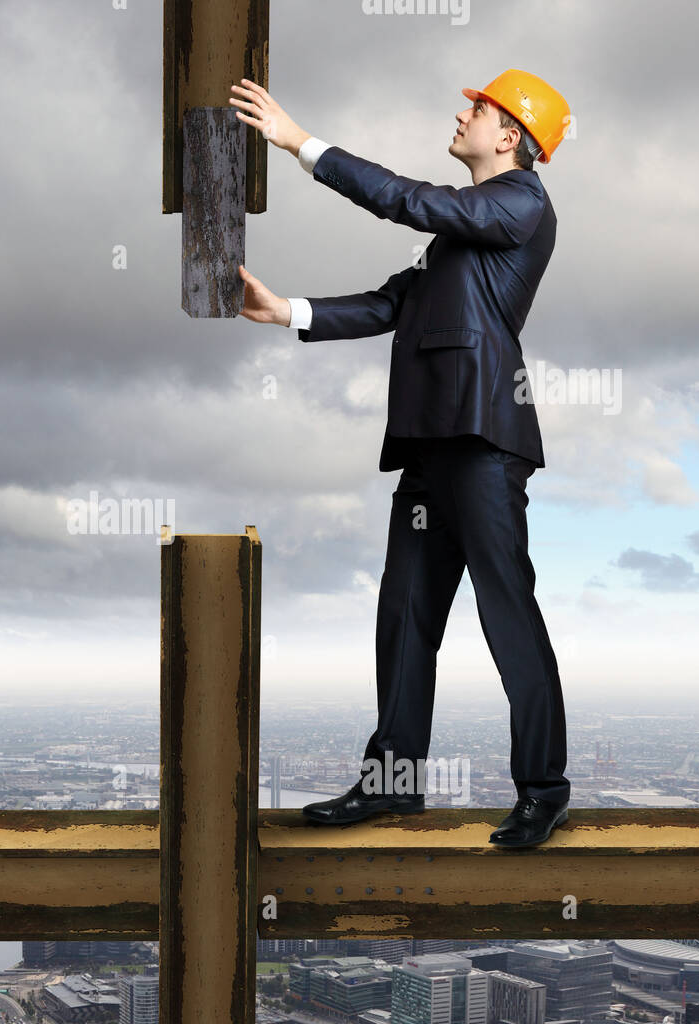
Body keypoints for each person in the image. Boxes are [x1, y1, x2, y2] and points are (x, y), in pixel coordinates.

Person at [229, 71, 572, 847]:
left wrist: (300, 143)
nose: (462, 113)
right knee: (405, 614)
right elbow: (392, 303)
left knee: (506, 610)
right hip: (428, 446)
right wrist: (289, 312)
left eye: (477, 108)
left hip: (483, 442)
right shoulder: (458, 235)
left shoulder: (519, 202)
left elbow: (410, 198)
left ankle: (544, 789)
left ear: (510, 135)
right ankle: (394, 783)